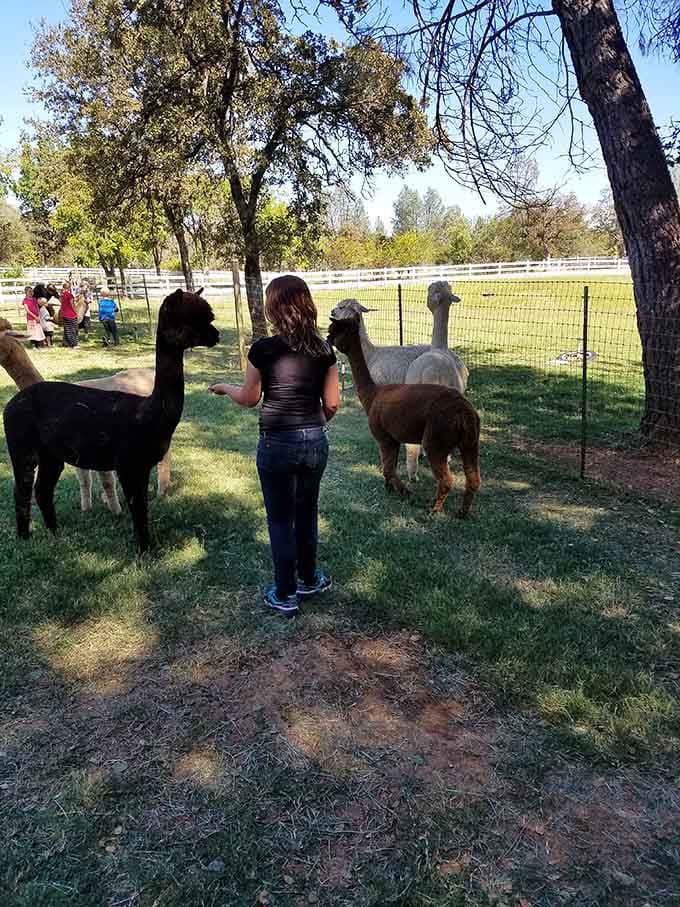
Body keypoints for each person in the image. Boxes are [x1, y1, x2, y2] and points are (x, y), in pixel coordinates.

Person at [209, 275, 340, 616]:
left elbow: (250, 398)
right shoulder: (325, 350)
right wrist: (316, 424)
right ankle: (309, 579)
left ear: (273, 307)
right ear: (306, 303)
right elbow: (333, 403)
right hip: (315, 443)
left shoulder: (262, 350)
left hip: (276, 445)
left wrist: (225, 387)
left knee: (281, 520)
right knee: (307, 512)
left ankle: (284, 594)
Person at [59, 281, 79, 347]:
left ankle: (65, 343)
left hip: (64, 314)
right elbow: (72, 304)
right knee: (72, 330)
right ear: (69, 287)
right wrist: (76, 312)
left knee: (66, 329)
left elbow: (62, 303)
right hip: (71, 315)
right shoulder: (70, 295)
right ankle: (73, 344)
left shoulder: (62, 296)